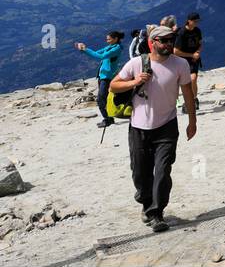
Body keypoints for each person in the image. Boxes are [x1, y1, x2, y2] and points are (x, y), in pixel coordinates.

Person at [109, 26, 197, 232]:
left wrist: (192, 121)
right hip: (138, 127)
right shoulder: (137, 63)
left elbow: (187, 94)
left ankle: (156, 213)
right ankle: (145, 200)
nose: (168, 44)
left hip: (167, 125)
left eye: (171, 40)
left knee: (163, 171)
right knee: (140, 173)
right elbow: (113, 85)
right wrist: (134, 81)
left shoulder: (180, 64)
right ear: (153, 42)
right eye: (164, 40)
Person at [77, 31, 125, 128]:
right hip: (102, 76)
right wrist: (84, 49)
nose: (107, 41)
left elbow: (101, 56)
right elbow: (97, 53)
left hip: (108, 77)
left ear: (115, 39)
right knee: (105, 99)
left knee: (101, 99)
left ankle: (107, 119)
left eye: (109, 39)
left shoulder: (116, 49)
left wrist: (86, 49)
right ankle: (109, 118)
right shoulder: (110, 47)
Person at [174, 13, 203, 112]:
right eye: (195, 21)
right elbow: (176, 51)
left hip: (194, 59)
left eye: (197, 21)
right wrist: (191, 55)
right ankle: (188, 100)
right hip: (182, 59)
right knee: (185, 81)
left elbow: (200, 44)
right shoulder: (182, 33)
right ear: (189, 21)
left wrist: (197, 52)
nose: (196, 23)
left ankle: (194, 99)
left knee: (193, 78)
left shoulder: (197, 31)